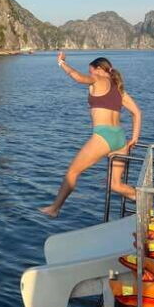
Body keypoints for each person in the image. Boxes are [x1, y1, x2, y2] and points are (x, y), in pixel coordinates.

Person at [40, 53, 142, 218]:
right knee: (115, 185)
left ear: (99, 70)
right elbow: (137, 113)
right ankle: (142, 198)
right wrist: (134, 138)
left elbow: (77, 77)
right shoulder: (119, 89)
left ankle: (54, 209)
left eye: (92, 71)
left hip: (104, 136)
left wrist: (61, 63)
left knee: (72, 172)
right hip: (120, 139)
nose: (91, 74)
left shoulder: (98, 80)